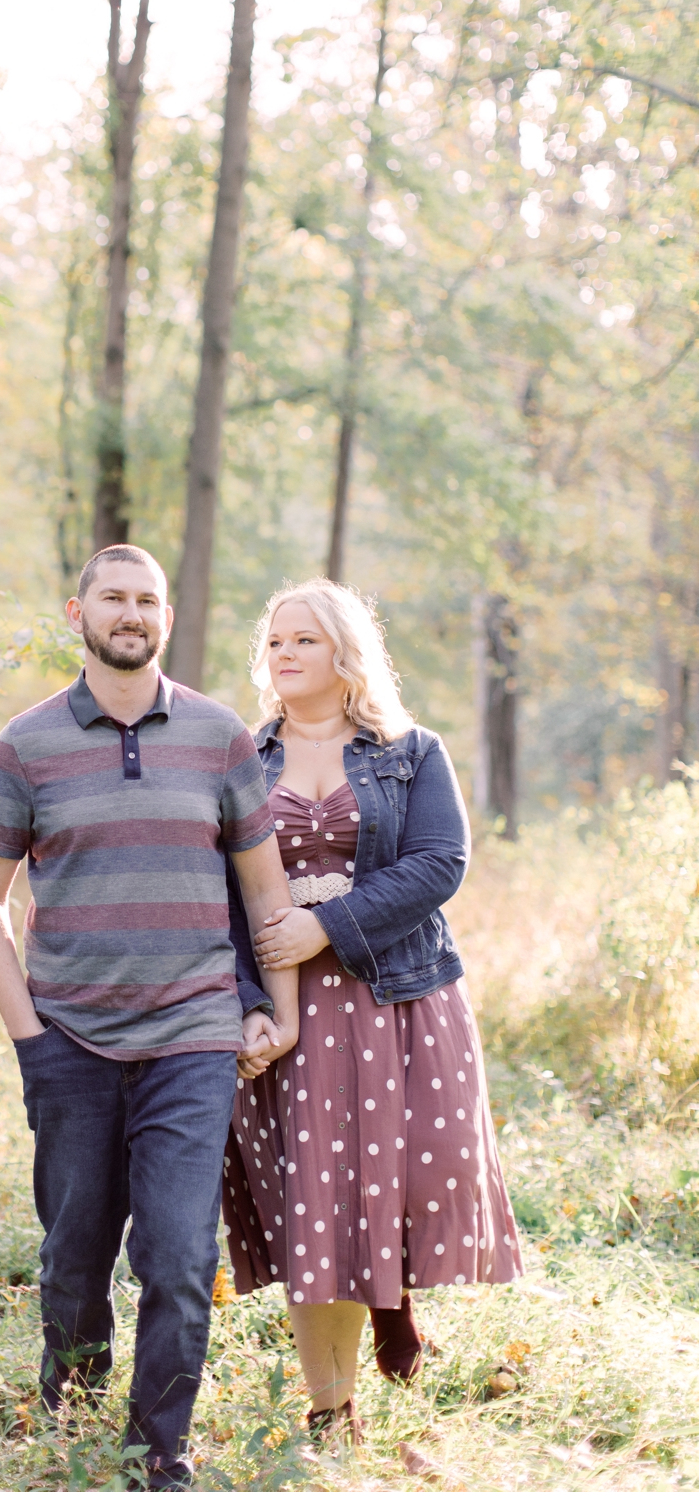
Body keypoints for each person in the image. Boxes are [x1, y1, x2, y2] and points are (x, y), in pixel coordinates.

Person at [0, 544, 298, 1489]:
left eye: (148, 599)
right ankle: (71, 1392)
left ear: (167, 618)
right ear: (78, 613)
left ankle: (161, 1450)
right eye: (113, 597)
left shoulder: (220, 736)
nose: (132, 613)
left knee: (182, 1256)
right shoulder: (26, 745)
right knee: (73, 1255)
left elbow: (266, 889)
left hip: (193, 1036)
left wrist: (280, 1008)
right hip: (66, 1037)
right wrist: (27, 1034)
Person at [222, 578, 523, 1446]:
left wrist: (329, 925)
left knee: (424, 1179)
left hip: (402, 994)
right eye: (275, 640)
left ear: (345, 653)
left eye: (305, 640)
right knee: (321, 1208)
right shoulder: (242, 758)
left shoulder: (410, 750)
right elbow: (223, 897)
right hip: (294, 1014)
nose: (283, 654)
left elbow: (439, 862)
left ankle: (394, 1288)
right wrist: (250, 1004)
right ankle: (330, 1410)